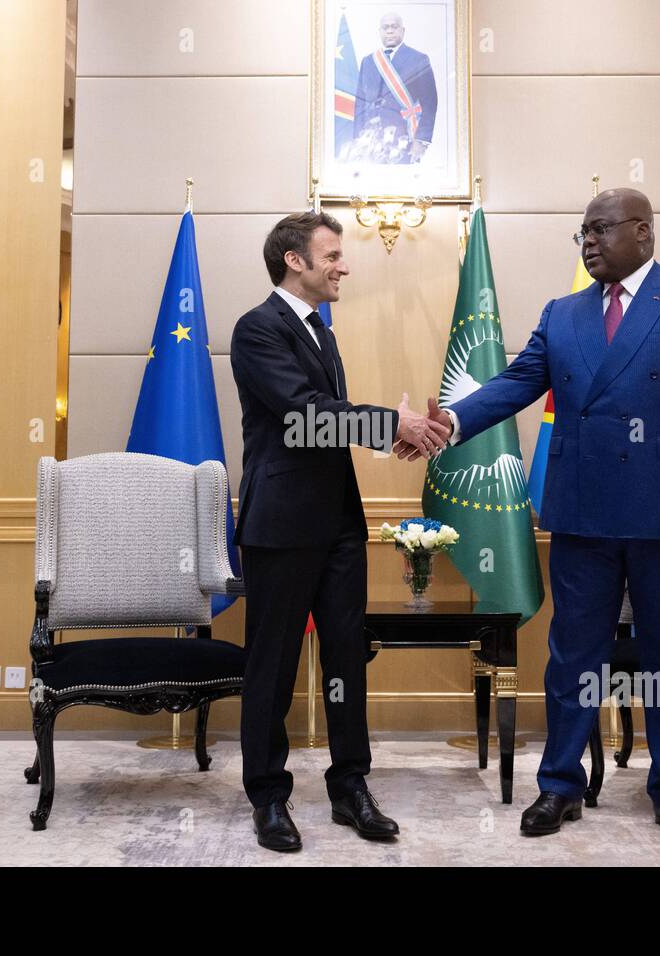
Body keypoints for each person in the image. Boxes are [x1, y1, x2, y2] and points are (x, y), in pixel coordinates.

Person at [403, 188, 660, 848]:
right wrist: (451, 421)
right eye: (582, 234)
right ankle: (559, 786)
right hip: (582, 510)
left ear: (644, 233)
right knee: (574, 655)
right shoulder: (561, 313)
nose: (588, 242)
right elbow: (516, 383)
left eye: (600, 230)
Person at [229, 211, 449, 852]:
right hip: (281, 526)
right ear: (294, 260)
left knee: (347, 660)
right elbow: (304, 417)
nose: (343, 265)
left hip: (339, 526)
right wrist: (391, 425)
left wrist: (398, 432)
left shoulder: (323, 333)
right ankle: (268, 796)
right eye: (331, 255)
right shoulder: (257, 329)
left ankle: (350, 785)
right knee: (273, 665)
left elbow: (329, 423)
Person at [353, 12, 438, 164]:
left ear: (403, 31)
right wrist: (357, 138)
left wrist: (421, 140)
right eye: (385, 28)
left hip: (404, 137)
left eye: (394, 27)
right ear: (380, 31)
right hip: (372, 138)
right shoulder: (368, 61)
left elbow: (430, 104)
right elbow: (360, 103)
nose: (390, 31)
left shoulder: (418, 59)